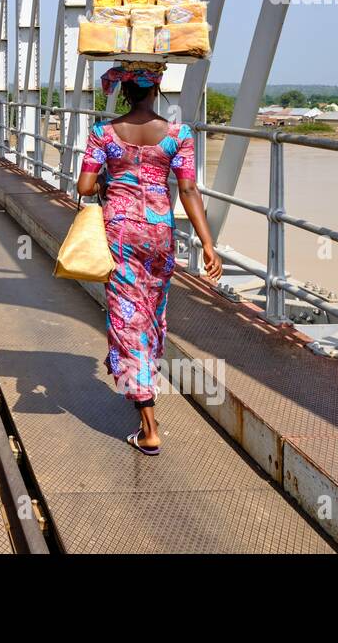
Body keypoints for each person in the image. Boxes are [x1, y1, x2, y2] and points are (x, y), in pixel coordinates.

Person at [75, 64, 222, 456]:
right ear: (156, 90)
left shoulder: (103, 134)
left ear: (124, 92)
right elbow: (188, 189)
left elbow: (85, 186)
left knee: (127, 318)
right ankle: (145, 386)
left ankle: (148, 424)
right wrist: (208, 245)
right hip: (159, 235)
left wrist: (110, 181)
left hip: (119, 235)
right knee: (152, 315)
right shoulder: (179, 135)